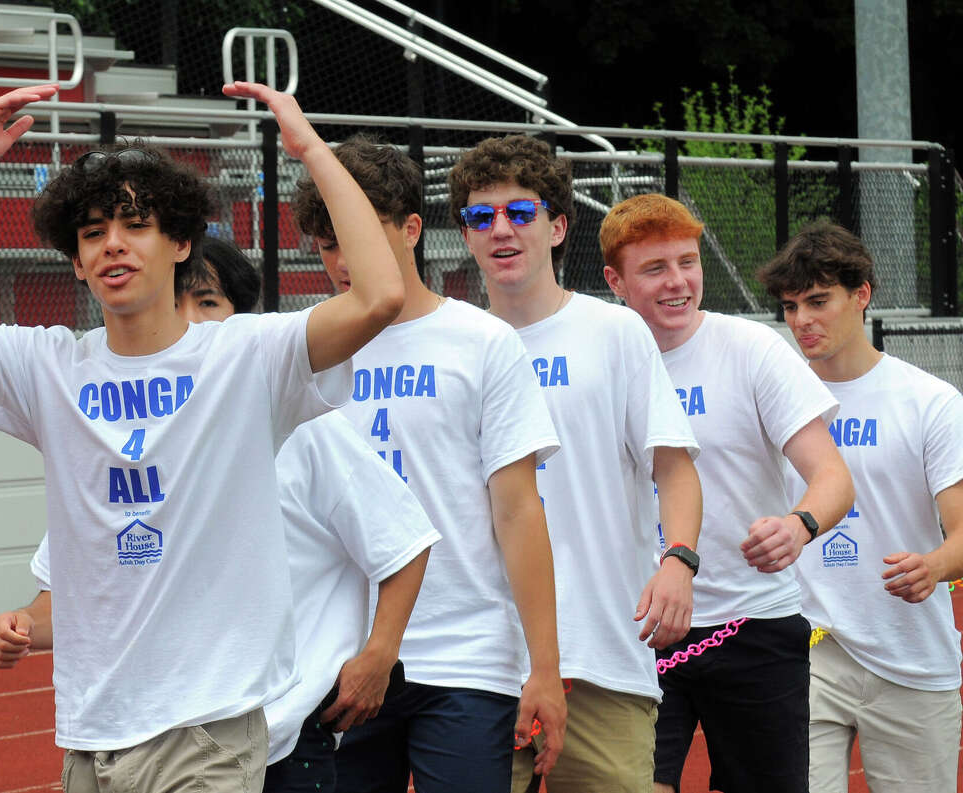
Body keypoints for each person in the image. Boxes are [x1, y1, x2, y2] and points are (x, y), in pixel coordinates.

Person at [0, 81, 404, 793]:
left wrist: (308, 152)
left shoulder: (246, 356)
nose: (112, 243)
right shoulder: (47, 367)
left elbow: (379, 295)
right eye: (92, 233)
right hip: (93, 727)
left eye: (135, 224)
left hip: (206, 727)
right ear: (78, 262)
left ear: (181, 242)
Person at [0, 236, 441, 793]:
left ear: (242, 319)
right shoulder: (123, 447)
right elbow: (69, 587)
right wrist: (26, 626)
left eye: (207, 303)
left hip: (282, 731)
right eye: (178, 302)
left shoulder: (309, 432)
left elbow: (403, 540)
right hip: (160, 731)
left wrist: (379, 653)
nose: (189, 319)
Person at [291, 135, 567, 793]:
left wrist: (545, 669)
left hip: (465, 656)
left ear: (411, 229)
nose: (342, 259)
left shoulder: (481, 343)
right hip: (341, 658)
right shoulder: (301, 349)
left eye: (356, 235)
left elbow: (519, 508)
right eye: (328, 243)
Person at [447, 135, 703, 793]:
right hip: (484, 664)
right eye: (482, 217)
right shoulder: (452, 350)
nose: (500, 229)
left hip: (602, 656)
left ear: (558, 227)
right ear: (467, 237)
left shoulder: (613, 333)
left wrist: (679, 558)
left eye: (520, 213)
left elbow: (673, 467)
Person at [599, 193, 854, 793]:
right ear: (615, 279)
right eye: (655, 268)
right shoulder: (599, 359)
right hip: (634, 633)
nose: (678, 282)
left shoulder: (751, 349)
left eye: (688, 262)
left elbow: (834, 478)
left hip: (752, 627)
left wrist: (798, 526)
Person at [757, 219, 963, 793]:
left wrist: (935, 567)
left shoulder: (931, 403)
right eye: (791, 306)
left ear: (862, 295)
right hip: (806, 650)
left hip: (910, 655)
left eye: (818, 301)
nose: (802, 321)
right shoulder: (773, 396)